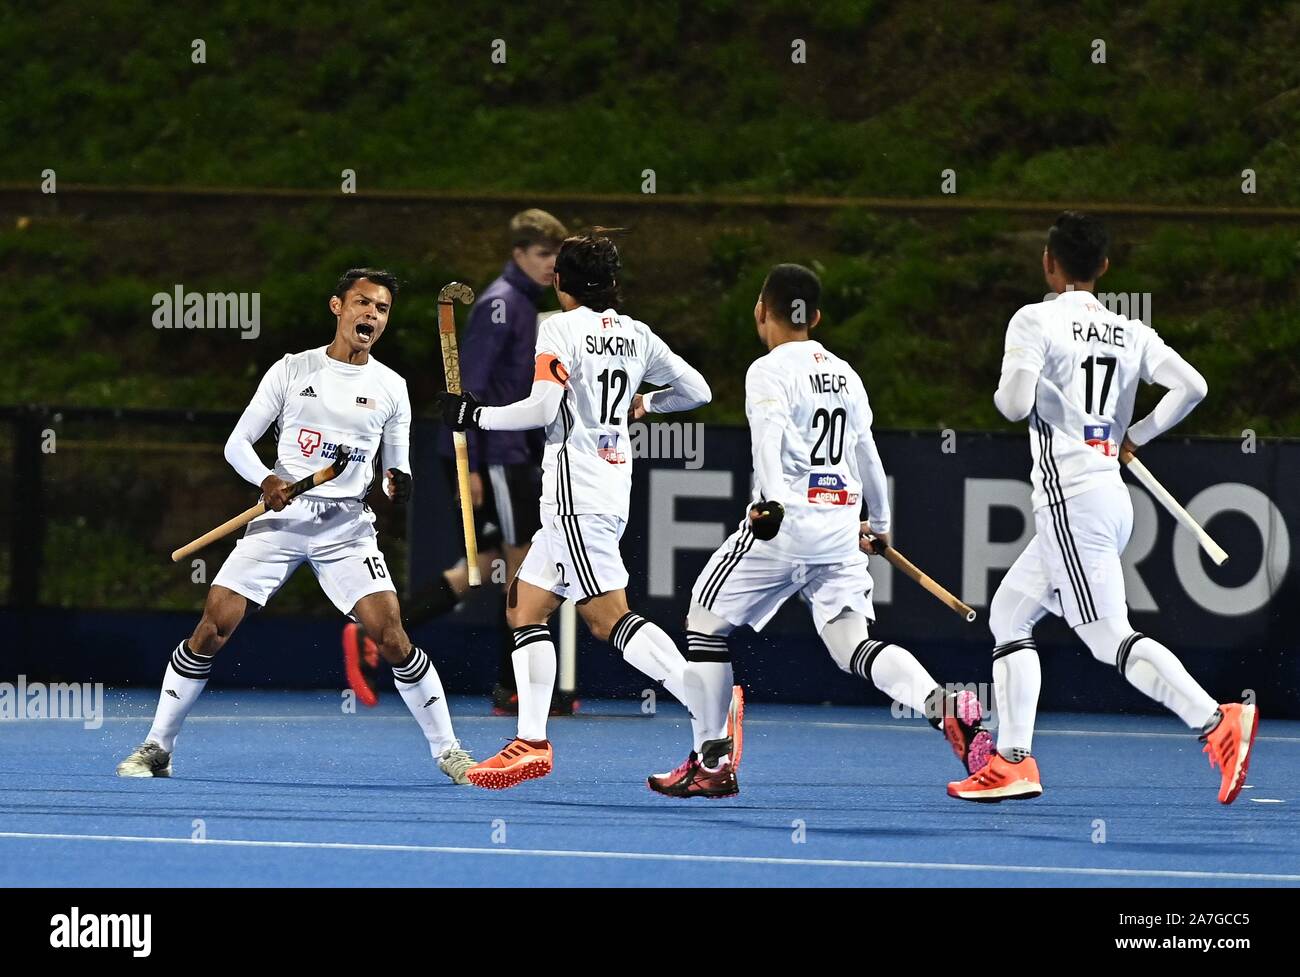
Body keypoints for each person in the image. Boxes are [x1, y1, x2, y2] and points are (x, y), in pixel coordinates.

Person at [117, 269, 475, 785]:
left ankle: (450, 752)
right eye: (362, 303)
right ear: (337, 306)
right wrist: (266, 480)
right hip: (280, 519)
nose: (371, 315)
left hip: (347, 526)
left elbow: (398, 470)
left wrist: (400, 483)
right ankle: (158, 746)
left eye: (381, 309)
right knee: (212, 628)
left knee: (392, 636)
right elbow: (236, 445)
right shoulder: (291, 370)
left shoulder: (390, 386)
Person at [648, 264, 994, 799]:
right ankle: (940, 704)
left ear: (761, 311)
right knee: (853, 644)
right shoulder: (846, 374)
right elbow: (868, 457)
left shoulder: (767, 370)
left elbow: (767, 439)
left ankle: (711, 762)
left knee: (703, 623)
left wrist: (768, 504)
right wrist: (878, 525)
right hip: (838, 529)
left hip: (783, 527)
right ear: (816, 317)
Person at [947, 212, 1259, 804]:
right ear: (1105, 267)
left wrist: (1022, 385)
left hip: (1072, 501)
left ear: (1048, 261)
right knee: (1010, 615)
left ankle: (1215, 722)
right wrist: (1134, 432)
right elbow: (1193, 387)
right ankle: (1014, 762)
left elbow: (1012, 405)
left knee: (1106, 635)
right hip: (1112, 498)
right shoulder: (1129, 329)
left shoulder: (1034, 319)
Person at [438, 233, 713, 789]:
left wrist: (475, 416)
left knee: (606, 618)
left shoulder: (558, 329)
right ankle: (531, 742)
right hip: (607, 487)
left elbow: (542, 407)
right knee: (524, 604)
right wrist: (646, 402)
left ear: (560, 282)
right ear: (611, 285)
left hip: (575, 495)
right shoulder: (638, 335)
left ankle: (709, 712)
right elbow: (698, 391)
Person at [342, 210, 571, 715]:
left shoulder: (520, 303)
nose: (551, 264)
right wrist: (471, 466)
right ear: (520, 254)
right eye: (543, 254)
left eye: (555, 255)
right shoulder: (502, 303)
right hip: (494, 457)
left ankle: (371, 635)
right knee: (521, 570)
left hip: (499, 455)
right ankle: (515, 689)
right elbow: (470, 386)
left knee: (479, 570)